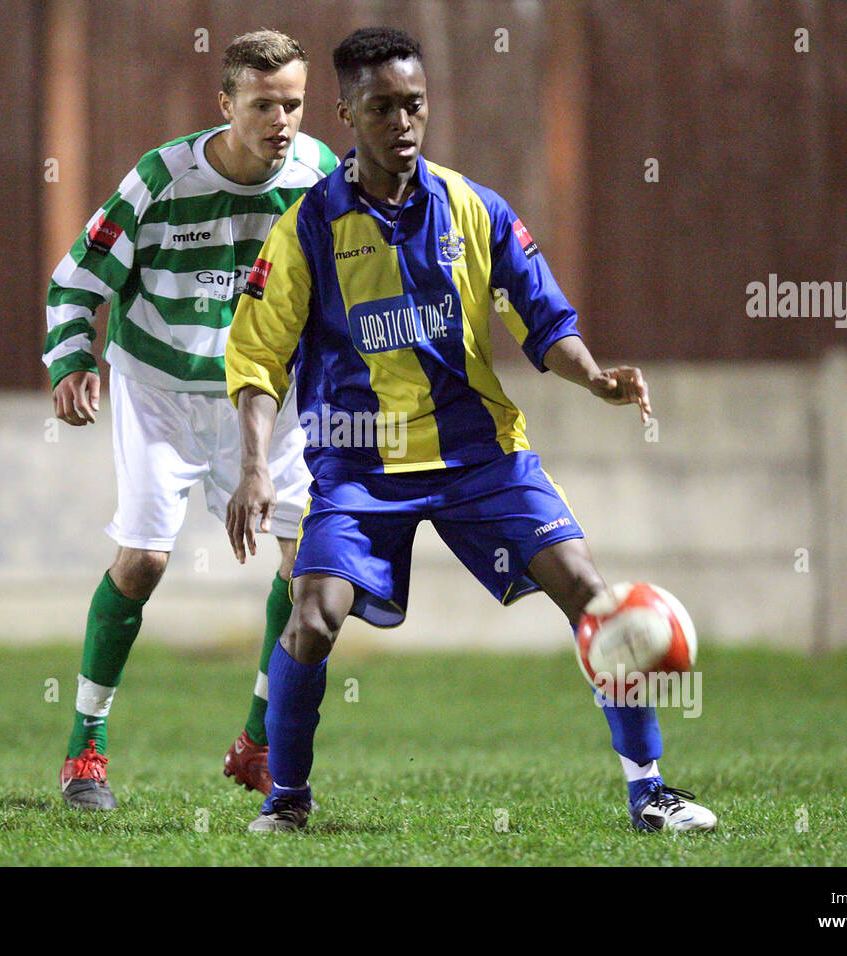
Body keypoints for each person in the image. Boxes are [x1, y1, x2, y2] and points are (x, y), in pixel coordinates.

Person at [224, 27, 717, 833]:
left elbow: (543, 316)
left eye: (414, 103)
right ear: (347, 113)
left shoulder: (475, 209)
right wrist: (255, 469)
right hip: (358, 467)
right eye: (381, 108)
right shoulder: (308, 229)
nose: (403, 122)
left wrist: (593, 375)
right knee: (310, 615)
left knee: (592, 594)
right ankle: (287, 801)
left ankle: (651, 791)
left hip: (479, 456)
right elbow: (256, 359)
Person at [44, 30, 339, 809]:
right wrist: (71, 359)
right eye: (263, 104)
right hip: (160, 391)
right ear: (226, 104)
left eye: (294, 103)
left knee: (307, 570)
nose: (282, 120)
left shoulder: (319, 174)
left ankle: (258, 741)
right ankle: (86, 747)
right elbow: (76, 279)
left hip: (268, 395)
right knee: (143, 563)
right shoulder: (161, 176)